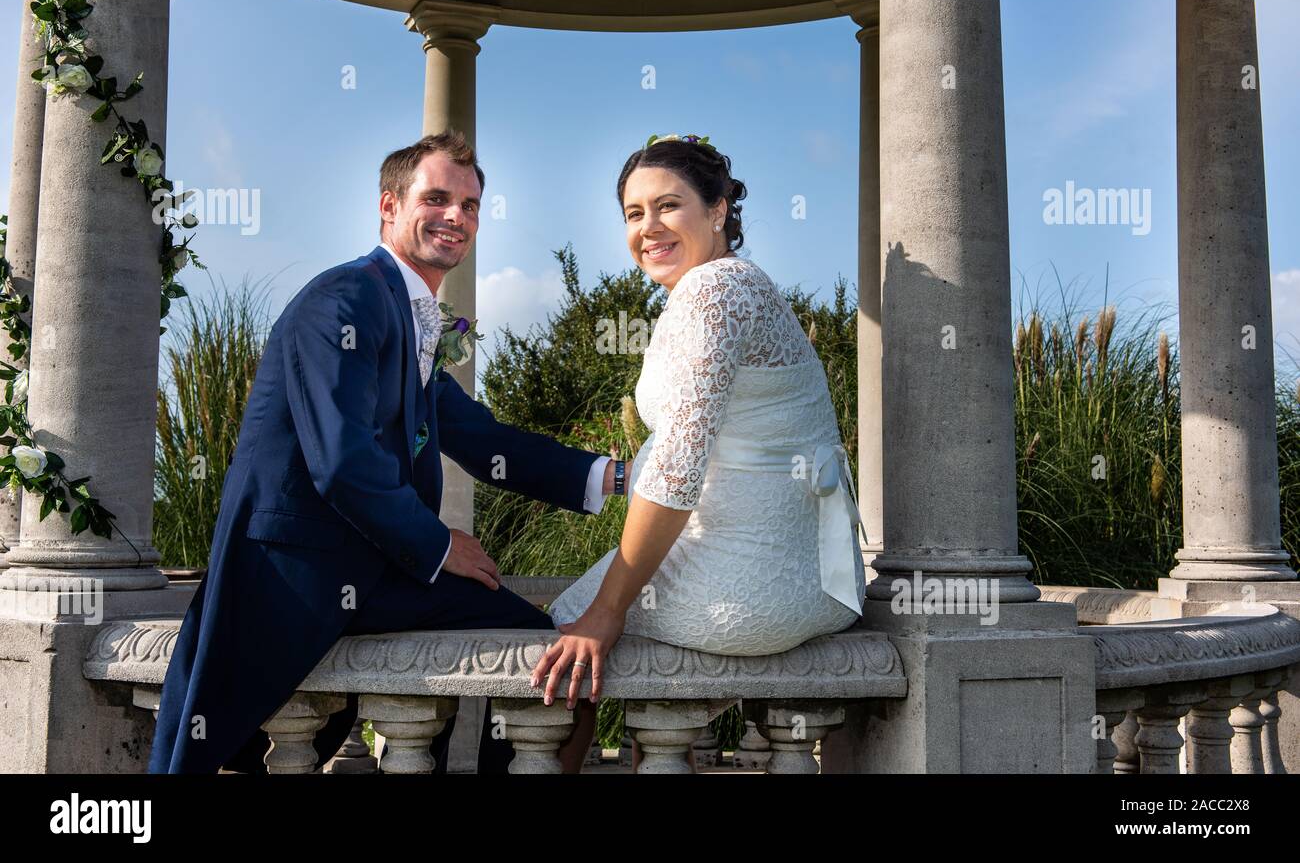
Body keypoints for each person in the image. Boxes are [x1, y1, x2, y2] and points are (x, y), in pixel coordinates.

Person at [149, 131, 624, 774]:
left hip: (366, 570)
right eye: (437, 198)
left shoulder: (411, 315)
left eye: (471, 204)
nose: (457, 216)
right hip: (294, 574)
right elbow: (342, 461)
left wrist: (620, 477)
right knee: (539, 648)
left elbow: (485, 443)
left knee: (534, 647)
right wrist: (439, 545)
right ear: (389, 206)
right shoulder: (345, 299)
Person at [534, 134, 867, 767]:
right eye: (634, 214)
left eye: (668, 206)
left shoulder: (711, 292)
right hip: (821, 580)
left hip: (755, 583)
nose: (648, 228)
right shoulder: (744, 284)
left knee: (568, 627)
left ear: (717, 211)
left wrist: (607, 611)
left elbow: (679, 472)